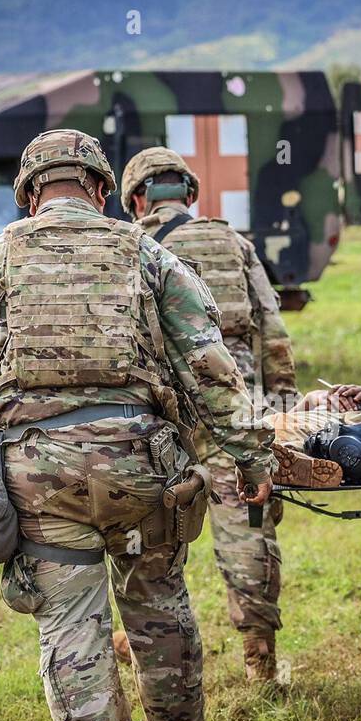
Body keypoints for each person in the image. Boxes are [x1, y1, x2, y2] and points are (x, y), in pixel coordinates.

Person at [0, 130, 274, 721]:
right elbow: (213, 365)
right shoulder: (147, 253)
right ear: (102, 190)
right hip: (142, 473)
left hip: (41, 481)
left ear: (30, 193)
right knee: (158, 607)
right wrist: (250, 456)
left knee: (71, 628)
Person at [118, 148, 297, 683]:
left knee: (152, 530)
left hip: (162, 417)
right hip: (235, 411)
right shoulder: (236, 244)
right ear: (190, 195)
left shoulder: (133, 249)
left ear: (136, 199)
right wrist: (281, 411)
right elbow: (273, 333)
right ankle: (260, 655)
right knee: (248, 524)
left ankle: (143, 640)